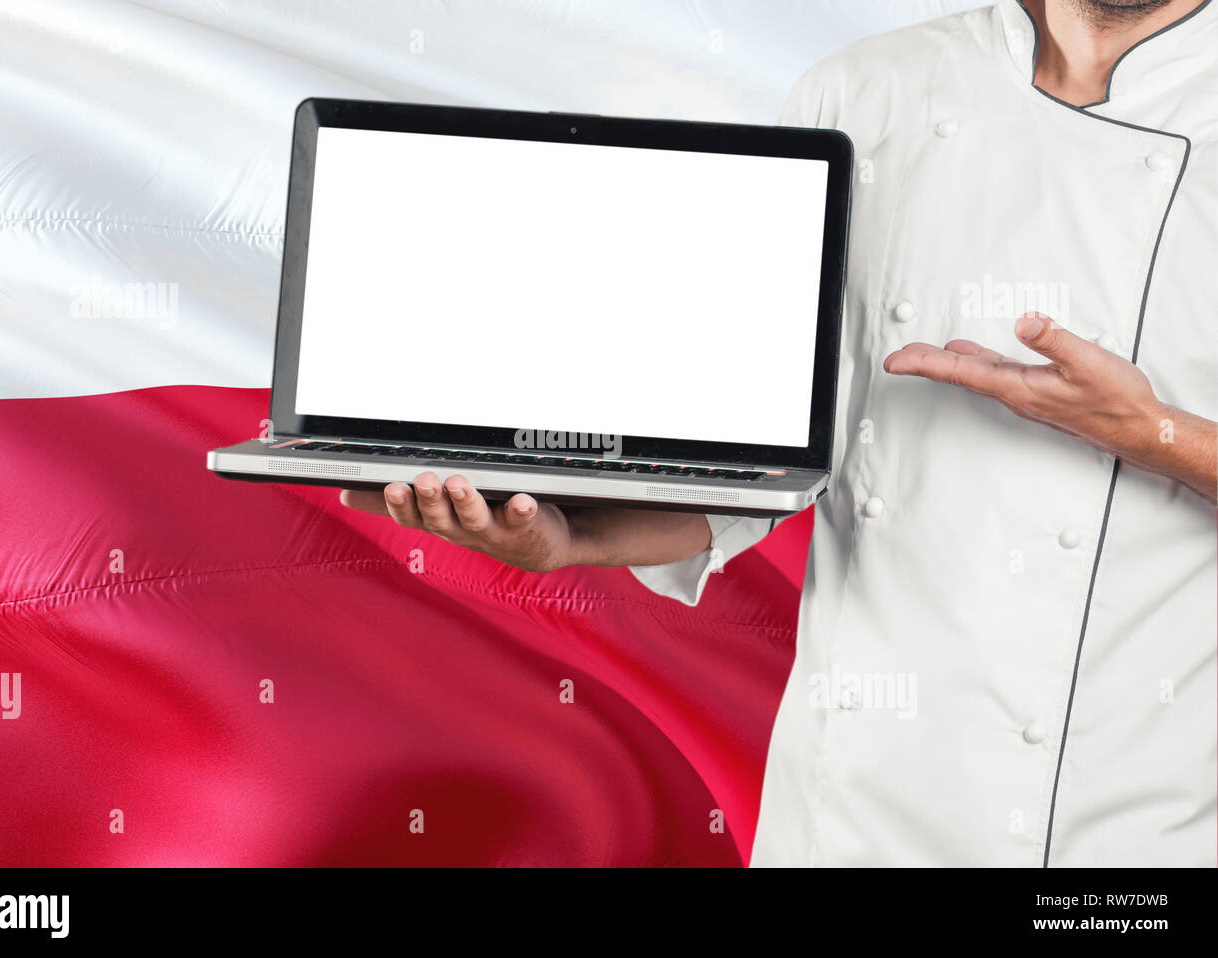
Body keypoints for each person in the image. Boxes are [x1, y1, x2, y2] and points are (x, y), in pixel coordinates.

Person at [341, 0, 1217, 866]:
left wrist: (1154, 434)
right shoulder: (866, 92)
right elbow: (772, 459)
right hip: (854, 816)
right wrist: (571, 536)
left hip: (1133, 828)